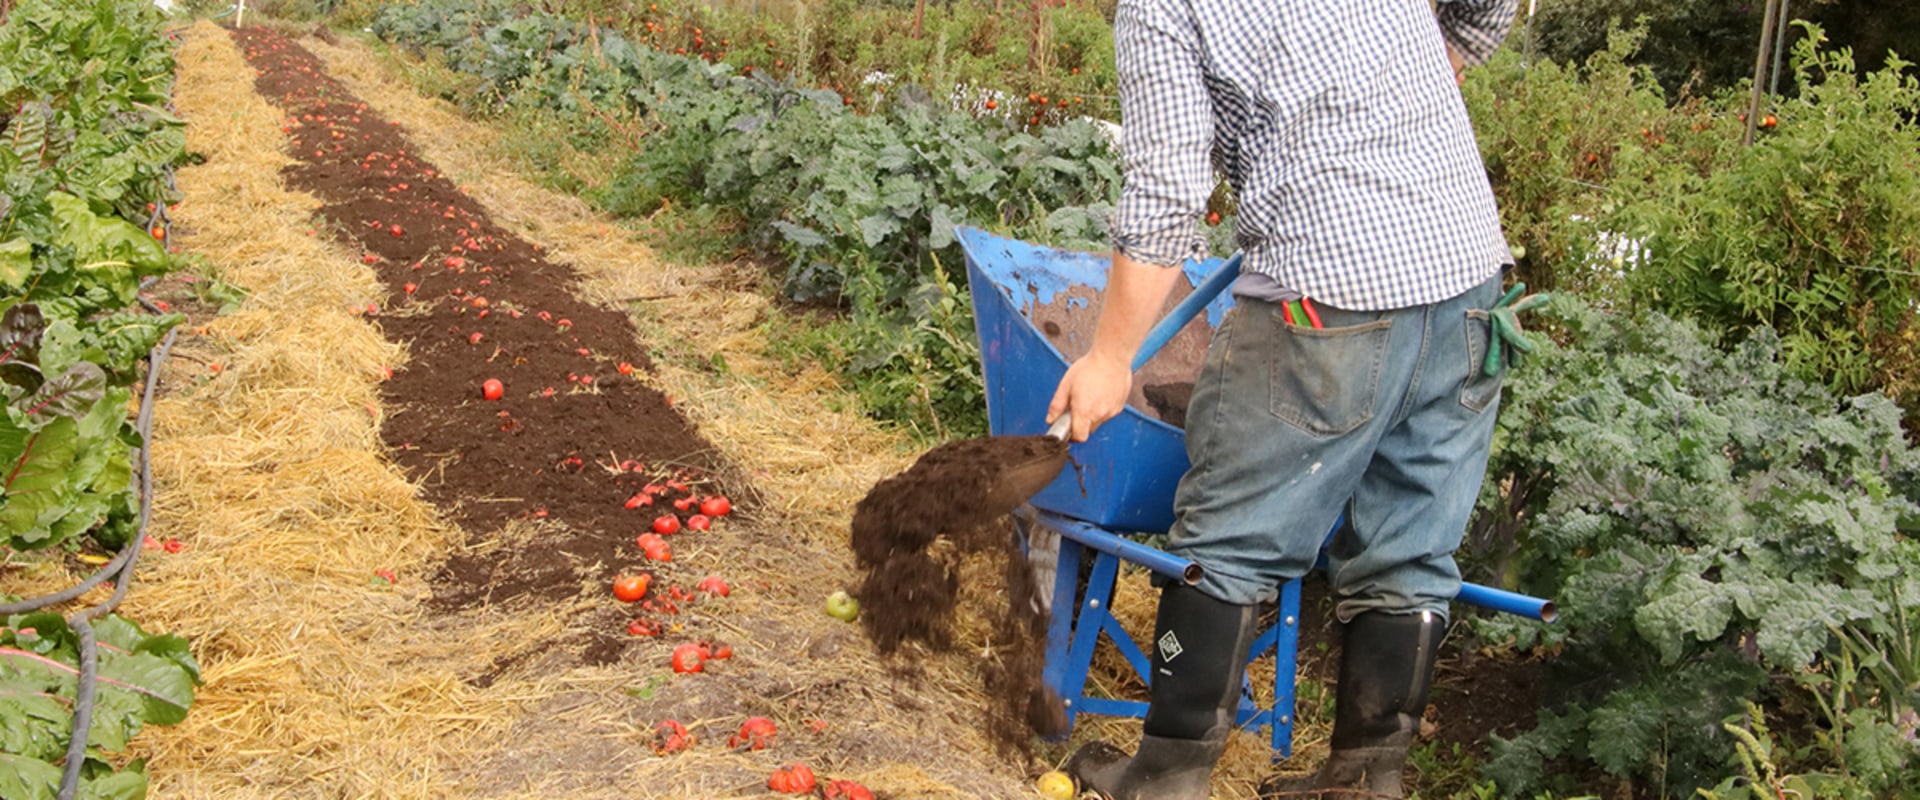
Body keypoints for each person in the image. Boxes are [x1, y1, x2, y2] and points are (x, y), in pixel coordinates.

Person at [1046, 1, 1521, 798]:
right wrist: (1446, 48)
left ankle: (1165, 778)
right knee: (1411, 543)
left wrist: (1112, 354)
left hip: (1327, 294)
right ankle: (1367, 779)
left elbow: (1167, 188)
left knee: (1229, 541)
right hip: (1468, 281)